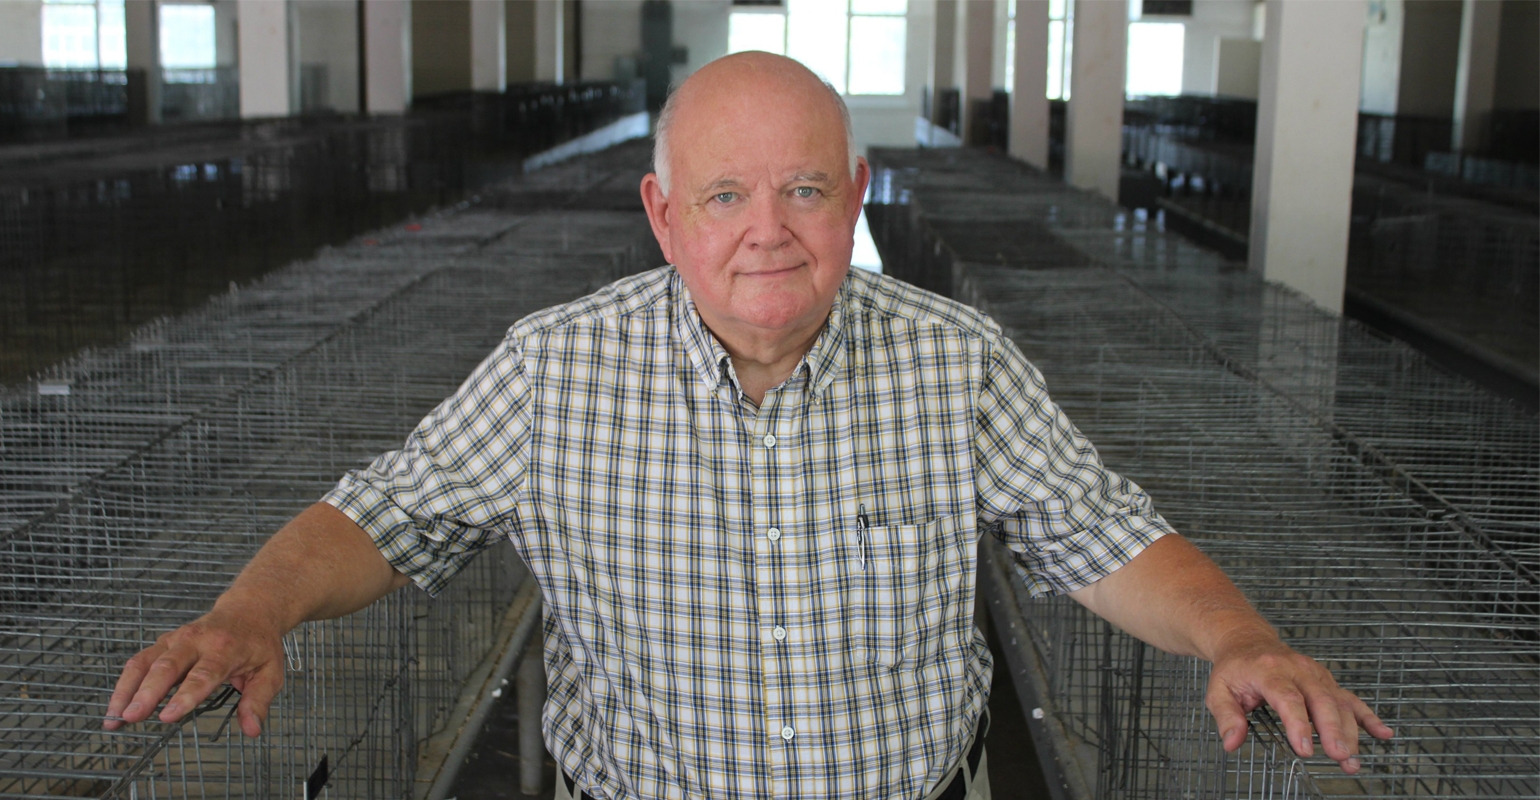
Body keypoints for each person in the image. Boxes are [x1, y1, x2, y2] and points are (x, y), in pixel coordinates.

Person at [106, 52, 1392, 799]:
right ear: (662, 215)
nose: (766, 230)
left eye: (804, 189)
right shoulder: (557, 369)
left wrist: (1237, 635)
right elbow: (386, 514)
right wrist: (252, 610)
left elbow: (1101, 534)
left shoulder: (954, 360)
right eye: (724, 195)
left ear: (856, 198)